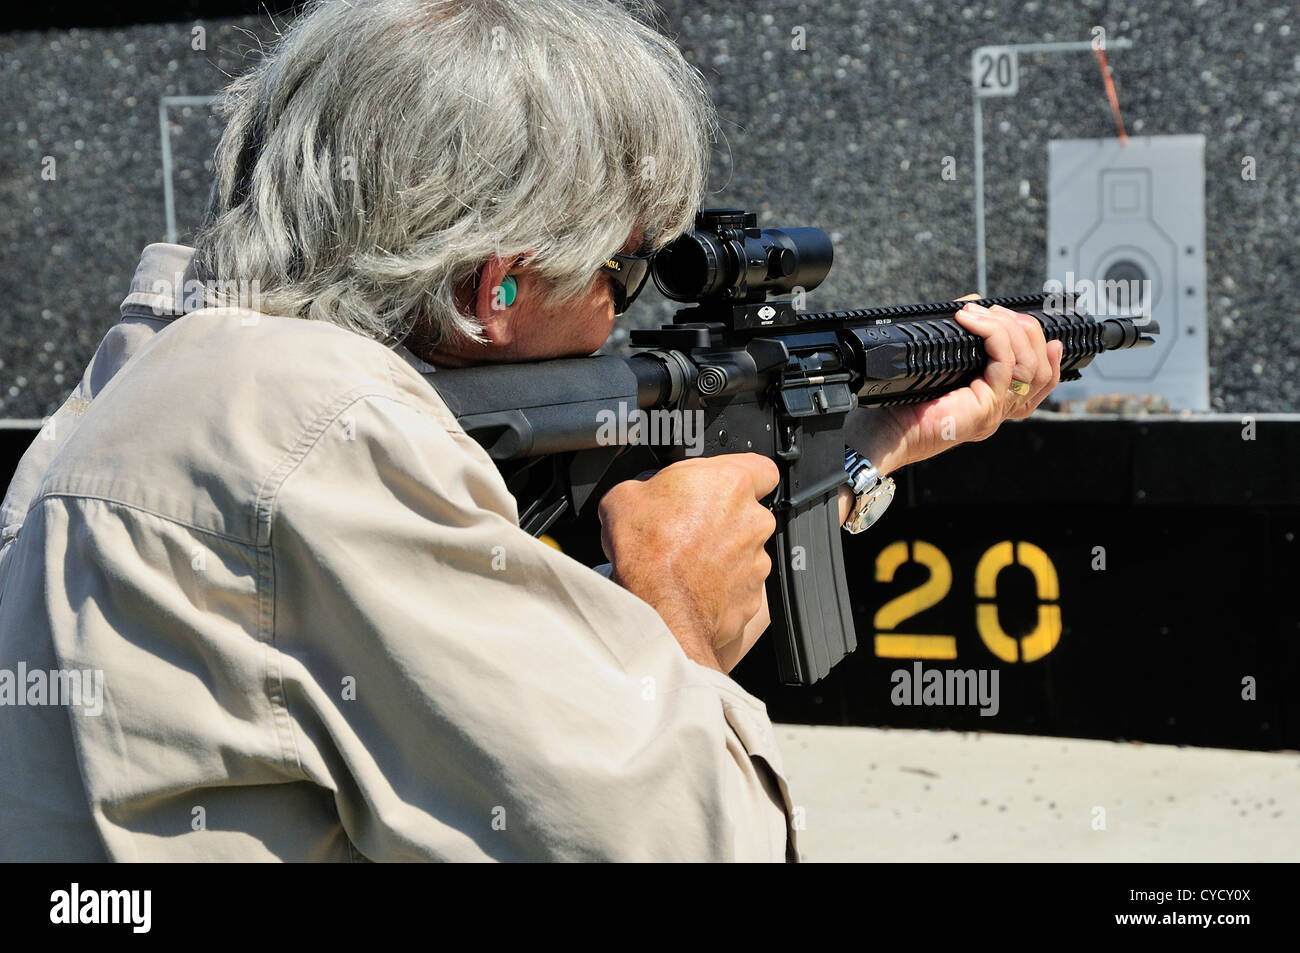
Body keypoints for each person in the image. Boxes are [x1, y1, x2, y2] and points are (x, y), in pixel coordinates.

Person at [0, 0, 1060, 862]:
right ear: (498, 285)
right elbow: (683, 843)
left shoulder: (165, 375)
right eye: (625, 269)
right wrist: (676, 623)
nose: (626, 313)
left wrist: (873, 446)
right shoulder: (325, 433)